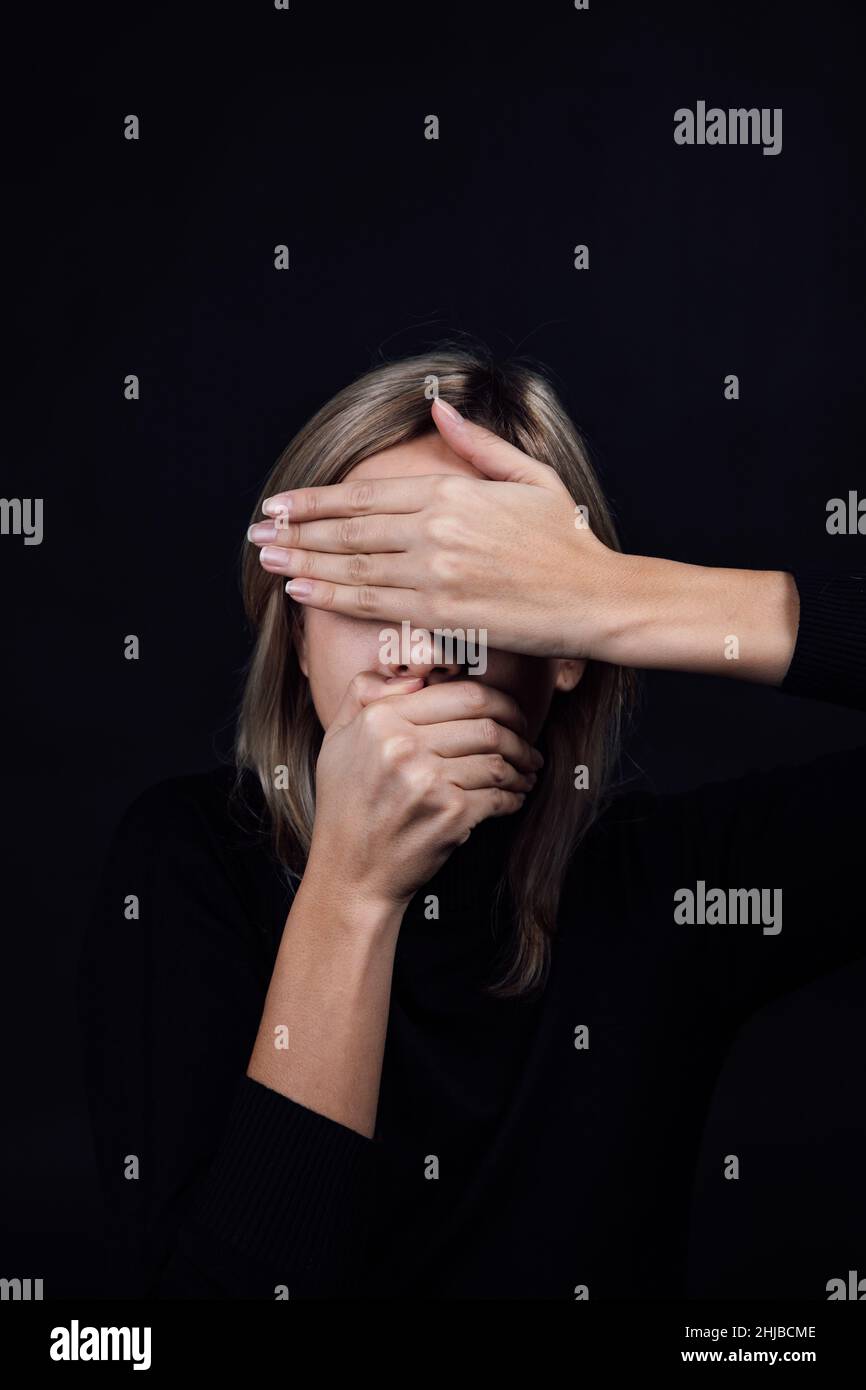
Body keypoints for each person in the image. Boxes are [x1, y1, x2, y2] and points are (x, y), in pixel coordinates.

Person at [77, 348, 866, 1299]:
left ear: (567, 649)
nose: (419, 642)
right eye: (372, 579)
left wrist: (618, 595)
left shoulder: (674, 889)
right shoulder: (185, 862)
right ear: (296, 629)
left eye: (472, 592)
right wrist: (354, 894)